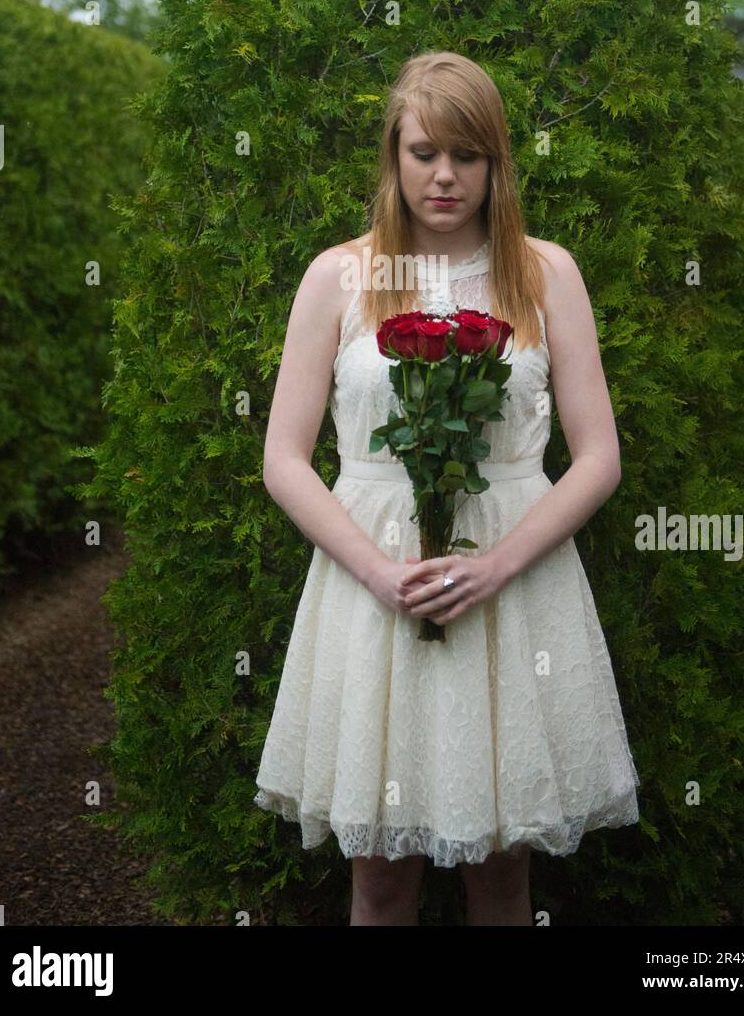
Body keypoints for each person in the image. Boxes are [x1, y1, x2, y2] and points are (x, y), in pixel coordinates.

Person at [255, 50, 640, 926]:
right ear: (392, 155)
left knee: (501, 868)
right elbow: (284, 458)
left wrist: (495, 565)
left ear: (495, 164)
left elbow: (598, 458)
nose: (444, 175)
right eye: (424, 150)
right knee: (380, 874)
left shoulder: (545, 275)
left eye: (467, 155)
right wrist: (381, 573)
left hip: (513, 589)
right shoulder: (339, 277)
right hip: (370, 588)